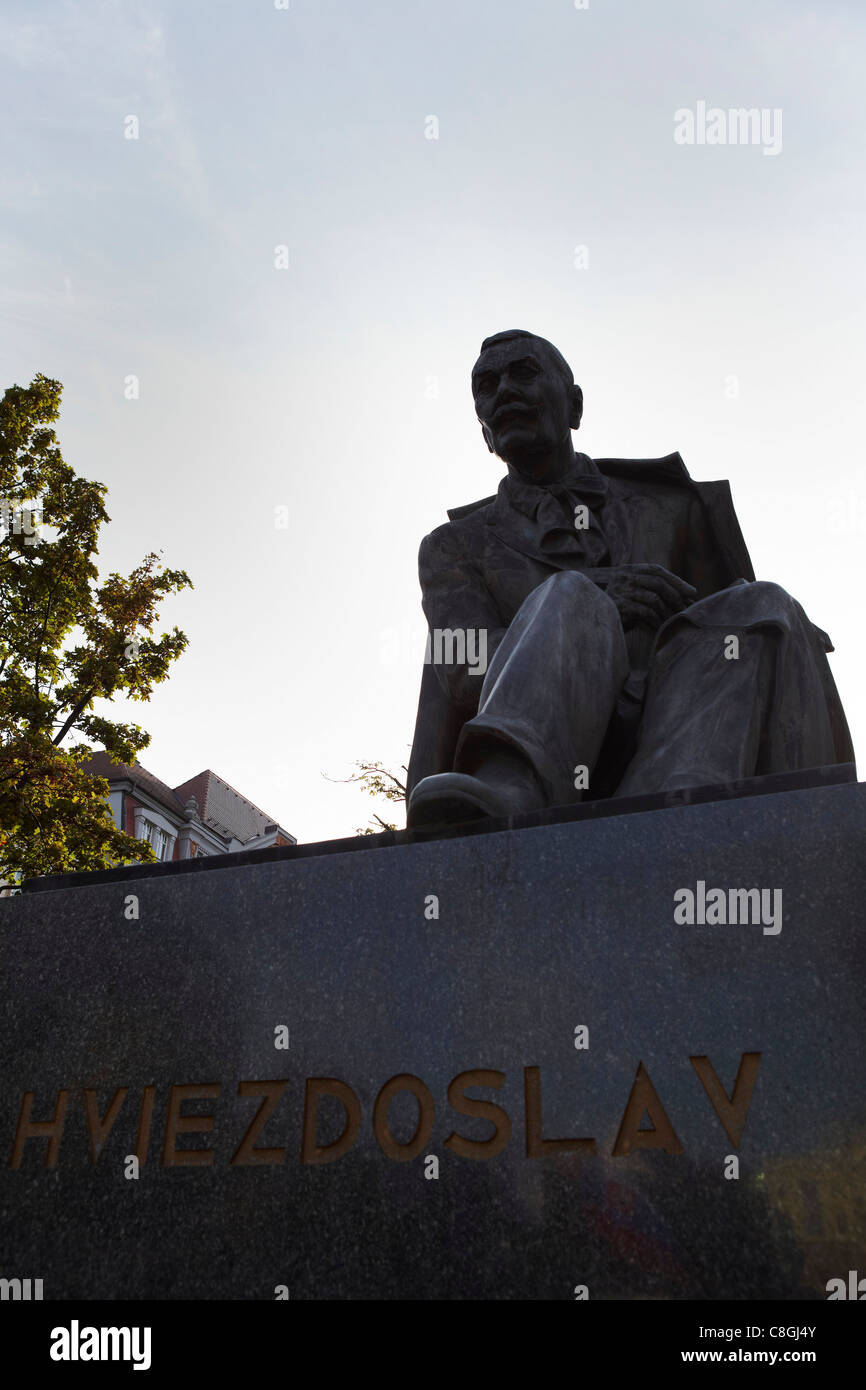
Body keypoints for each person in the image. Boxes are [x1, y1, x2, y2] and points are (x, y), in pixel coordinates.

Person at [406, 329, 853, 828]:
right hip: (556, 751)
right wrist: (598, 597)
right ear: (485, 432)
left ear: (574, 406)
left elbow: (736, 644)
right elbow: (464, 670)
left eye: (524, 374)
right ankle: (513, 781)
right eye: (487, 385)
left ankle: (681, 799)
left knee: (762, 601)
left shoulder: (670, 507)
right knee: (573, 593)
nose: (504, 390)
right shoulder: (454, 545)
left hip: (672, 738)